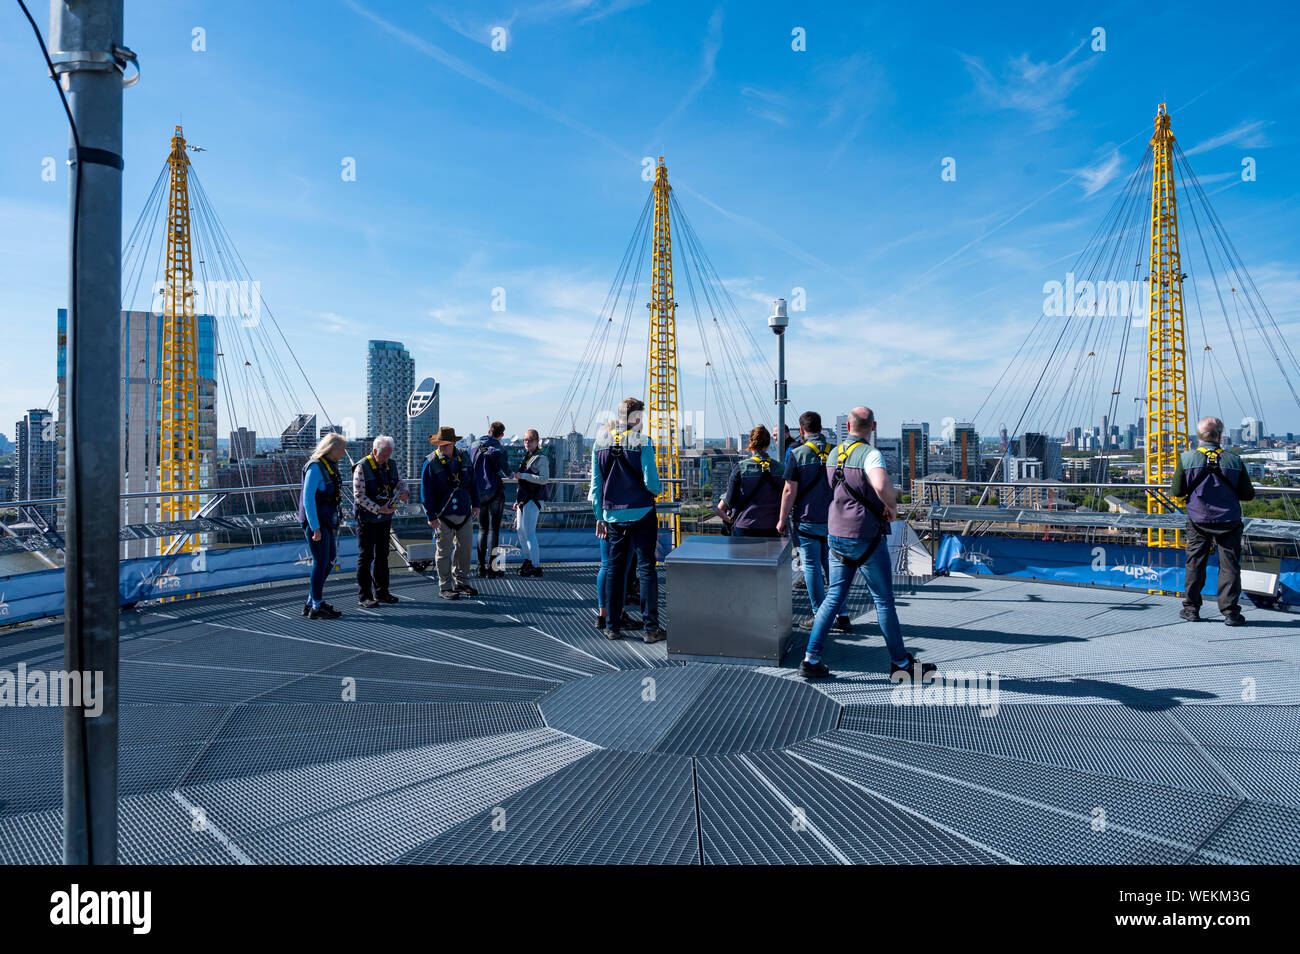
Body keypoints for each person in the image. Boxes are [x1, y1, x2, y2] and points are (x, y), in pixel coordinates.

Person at [798, 406, 935, 682]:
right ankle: (900, 663)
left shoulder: (835, 453)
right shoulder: (871, 454)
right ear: (873, 427)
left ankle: (811, 659)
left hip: (836, 535)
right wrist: (891, 508)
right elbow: (881, 485)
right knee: (883, 601)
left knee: (834, 597)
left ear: (847, 427)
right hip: (866, 537)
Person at [590, 396, 665, 643]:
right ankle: (650, 628)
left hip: (613, 515)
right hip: (642, 512)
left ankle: (612, 626)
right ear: (636, 417)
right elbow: (651, 482)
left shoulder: (599, 443)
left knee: (615, 569)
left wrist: (600, 516)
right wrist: (655, 491)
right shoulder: (643, 441)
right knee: (646, 569)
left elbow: (596, 486)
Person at [1172, 416, 1256, 625]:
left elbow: (1177, 491)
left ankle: (1191, 609)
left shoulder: (1187, 458)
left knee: (1195, 564)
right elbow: (1247, 494)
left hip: (1198, 520)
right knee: (1229, 566)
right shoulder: (1234, 460)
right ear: (1220, 435)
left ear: (1199, 436)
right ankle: (1231, 613)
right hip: (1228, 521)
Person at [777, 411, 852, 634]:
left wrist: (782, 519)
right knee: (834, 568)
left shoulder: (797, 454)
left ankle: (819, 614)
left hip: (807, 520)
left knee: (811, 566)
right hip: (835, 520)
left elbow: (789, 490)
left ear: (802, 431)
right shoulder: (837, 453)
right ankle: (843, 614)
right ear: (821, 428)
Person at [593, 418, 641, 633]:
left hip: (605, 512)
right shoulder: (628, 450)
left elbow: (596, 486)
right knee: (621, 568)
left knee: (606, 566)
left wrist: (599, 516)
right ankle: (618, 612)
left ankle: (603, 613)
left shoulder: (600, 450)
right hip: (625, 514)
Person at [421, 426, 480, 600]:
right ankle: (445, 586)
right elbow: (426, 491)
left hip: (464, 511)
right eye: (439, 444)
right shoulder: (431, 462)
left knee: (465, 549)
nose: (441, 448)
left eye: (445, 444)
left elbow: (473, 482)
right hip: (442, 515)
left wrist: (476, 504)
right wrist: (430, 516)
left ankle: (461, 582)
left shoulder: (464, 457)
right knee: (443, 552)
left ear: (454, 443)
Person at [352, 435, 408, 608]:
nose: (385, 459)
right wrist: (378, 508)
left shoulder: (390, 464)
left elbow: (397, 481)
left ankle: (382, 592)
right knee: (366, 556)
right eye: (383, 455)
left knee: (383, 556)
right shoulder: (362, 467)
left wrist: (404, 490)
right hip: (367, 518)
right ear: (374, 451)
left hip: (385, 517)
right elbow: (358, 495)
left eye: (388, 455)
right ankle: (365, 596)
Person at [297, 432, 347, 620]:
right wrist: (315, 527)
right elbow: (308, 499)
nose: (343, 453)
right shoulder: (316, 467)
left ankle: (312, 601)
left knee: (330, 560)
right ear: (332, 448)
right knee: (320, 562)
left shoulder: (329, 466)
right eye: (341, 449)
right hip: (317, 524)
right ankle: (316, 606)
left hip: (326, 521)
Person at [716, 426, 784, 537]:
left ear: (751, 442)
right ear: (767, 443)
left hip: (745, 527)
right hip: (772, 527)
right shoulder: (781, 469)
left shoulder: (740, 468)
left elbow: (729, 501)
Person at [471, 421, 511, 578]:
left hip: (478, 493)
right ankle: (493, 568)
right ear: (501, 435)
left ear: (488, 431)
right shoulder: (500, 449)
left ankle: (480, 567)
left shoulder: (473, 445)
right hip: (494, 492)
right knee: (494, 530)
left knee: (482, 529)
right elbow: (507, 472)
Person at [513, 429, 551, 577]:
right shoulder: (528, 457)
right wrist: (518, 500)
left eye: (530, 440)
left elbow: (544, 479)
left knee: (529, 533)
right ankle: (529, 561)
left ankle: (535, 566)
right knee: (521, 532)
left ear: (537, 441)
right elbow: (523, 482)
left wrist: (523, 475)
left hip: (533, 499)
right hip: (524, 499)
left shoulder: (541, 458)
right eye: (525, 440)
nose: (527, 442)